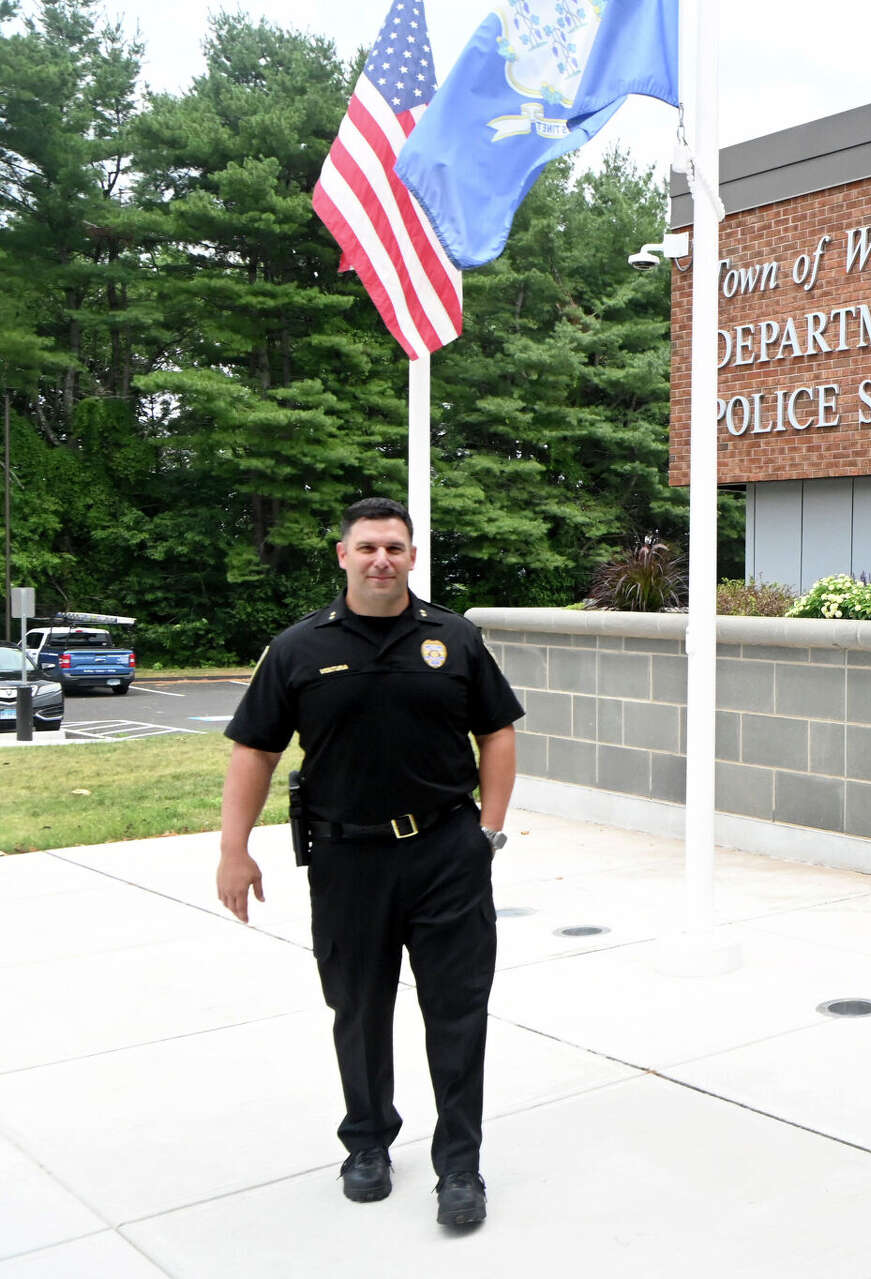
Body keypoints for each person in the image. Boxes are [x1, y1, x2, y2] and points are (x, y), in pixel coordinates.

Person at [215, 497, 523, 1228]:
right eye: (367, 546)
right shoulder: (297, 648)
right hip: (348, 856)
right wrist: (234, 848)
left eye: (394, 546)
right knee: (357, 1008)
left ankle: (460, 1166)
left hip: (448, 850)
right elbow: (254, 749)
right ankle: (367, 1142)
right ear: (342, 555)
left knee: (456, 1012)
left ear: (413, 556)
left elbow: (498, 733)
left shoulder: (455, 638)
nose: (381, 558)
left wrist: (489, 832)